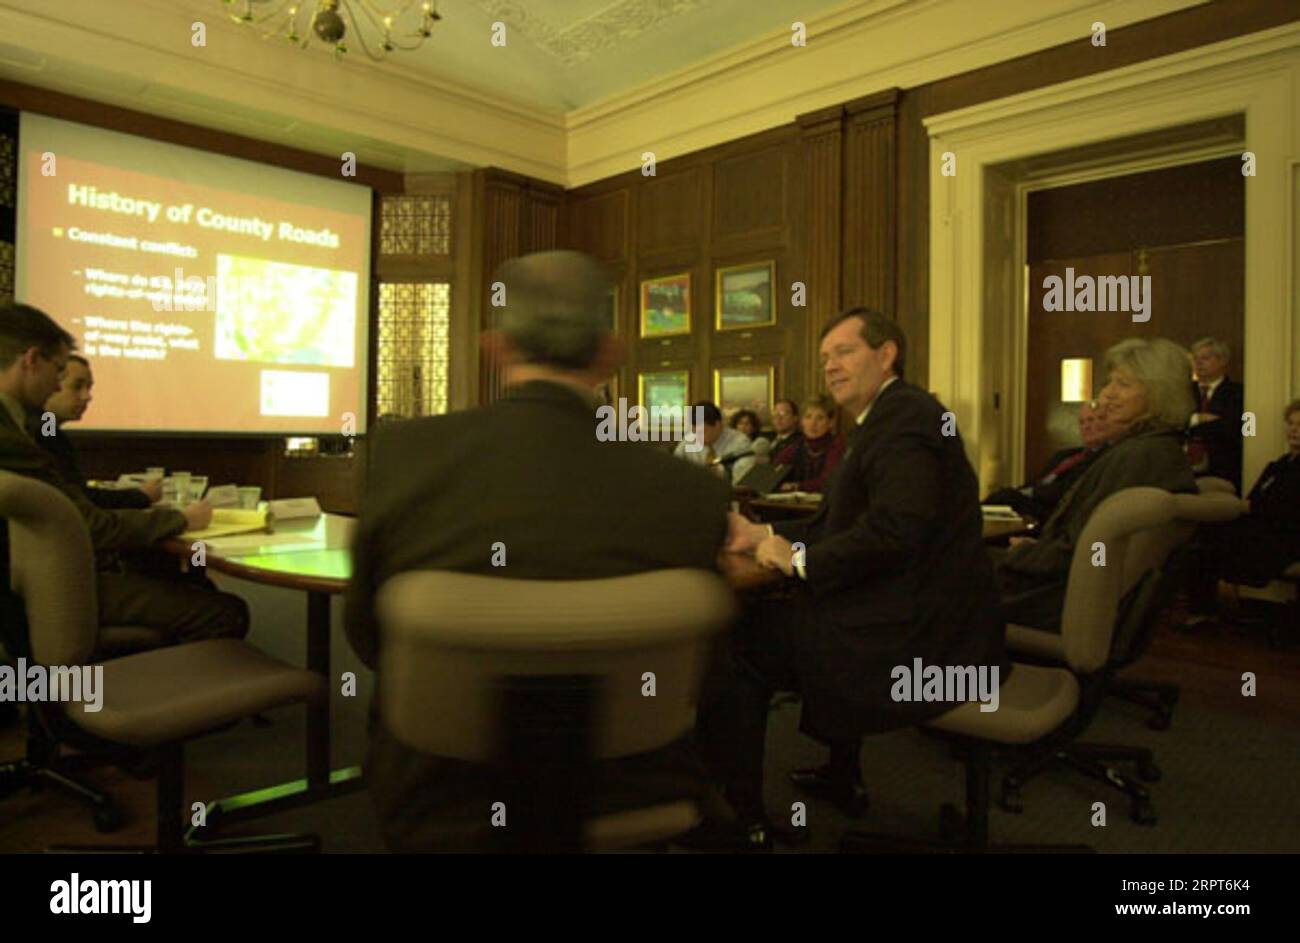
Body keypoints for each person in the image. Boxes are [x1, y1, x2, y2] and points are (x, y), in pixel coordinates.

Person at [345, 250, 733, 853]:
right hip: (633, 784)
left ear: (495, 348)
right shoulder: (692, 492)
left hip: (441, 792)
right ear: (610, 353)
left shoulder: (401, 456)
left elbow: (370, 639)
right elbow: (704, 674)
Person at [698, 308, 1005, 848]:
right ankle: (841, 774)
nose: (830, 367)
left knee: (741, 641)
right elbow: (843, 523)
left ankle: (737, 819)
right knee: (788, 616)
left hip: (920, 638)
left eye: (844, 352)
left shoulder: (905, 420)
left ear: (886, 355)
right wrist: (761, 532)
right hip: (926, 616)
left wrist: (798, 561)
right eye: (825, 358)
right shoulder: (891, 416)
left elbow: (896, 531)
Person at [0, 303, 248, 658]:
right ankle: (160, 692)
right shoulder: (25, 437)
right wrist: (179, 518)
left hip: (28, 581)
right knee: (225, 611)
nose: (59, 384)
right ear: (32, 359)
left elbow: (75, 499)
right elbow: (88, 523)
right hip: (42, 590)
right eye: (60, 372)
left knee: (175, 575)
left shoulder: (25, 428)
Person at [996, 337, 1198, 632]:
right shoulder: (1158, 450)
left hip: (1053, 600)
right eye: (1109, 383)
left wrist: (1023, 553)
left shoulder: (1137, 456)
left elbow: (1079, 553)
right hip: (1071, 594)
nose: (1107, 395)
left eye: (1123, 384)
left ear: (1160, 393)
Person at [1188, 399, 1300, 611]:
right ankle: (1206, 606)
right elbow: (1255, 499)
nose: (1294, 430)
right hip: (1262, 526)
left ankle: (1210, 606)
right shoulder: (1279, 464)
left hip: (1287, 536)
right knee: (1206, 531)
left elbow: (1286, 510)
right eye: (1291, 424)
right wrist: (1251, 507)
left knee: (1216, 540)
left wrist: (1254, 508)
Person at [28, 354, 162, 509]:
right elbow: (79, 499)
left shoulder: (47, 425)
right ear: (52, 385)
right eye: (77, 386)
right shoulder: (45, 430)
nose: (87, 396)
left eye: (89, 387)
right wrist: (140, 496)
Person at [984, 400, 1112, 520]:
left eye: (1092, 420)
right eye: (1082, 422)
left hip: (1054, 511)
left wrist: (1027, 493)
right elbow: (1040, 480)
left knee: (1006, 498)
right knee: (1000, 497)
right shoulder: (1065, 455)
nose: (1086, 426)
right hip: (1033, 499)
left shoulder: (1105, 457)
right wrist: (1021, 491)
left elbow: (1067, 489)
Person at [1186, 337, 1244, 491]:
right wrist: (1196, 418)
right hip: (1184, 470)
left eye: (1205, 358)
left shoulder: (1239, 393)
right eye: (1195, 359)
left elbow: (1240, 429)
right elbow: (1171, 422)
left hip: (1224, 469)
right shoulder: (1183, 391)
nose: (1198, 363)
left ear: (1222, 361)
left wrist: (1190, 424)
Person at [775, 394, 846, 493]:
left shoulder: (838, 445)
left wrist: (798, 486)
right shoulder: (796, 446)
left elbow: (828, 481)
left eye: (820, 418)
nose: (813, 423)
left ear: (831, 422)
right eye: (808, 417)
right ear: (802, 421)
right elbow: (775, 472)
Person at [672, 401, 755, 482]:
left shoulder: (740, 442)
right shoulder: (688, 442)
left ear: (717, 425)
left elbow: (743, 479)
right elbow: (673, 471)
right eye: (693, 432)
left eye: (701, 432)